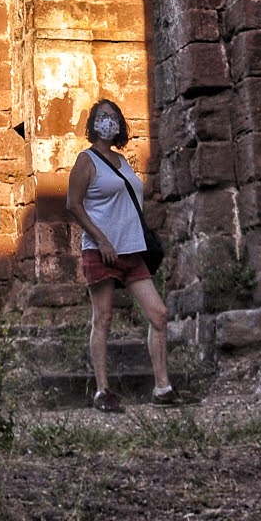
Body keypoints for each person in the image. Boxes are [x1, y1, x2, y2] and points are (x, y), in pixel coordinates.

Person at [66, 96, 176, 412]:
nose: (108, 120)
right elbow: (73, 205)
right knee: (103, 318)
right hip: (101, 251)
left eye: (113, 116)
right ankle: (102, 391)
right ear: (92, 124)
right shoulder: (85, 161)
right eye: (102, 115)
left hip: (131, 250)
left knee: (159, 314)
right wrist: (101, 240)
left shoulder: (123, 162)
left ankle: (162, 387)